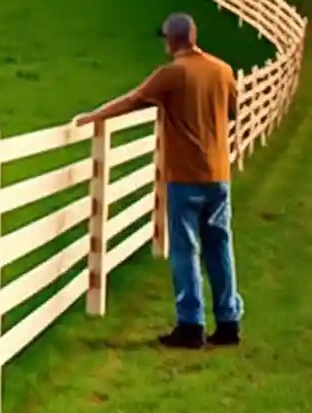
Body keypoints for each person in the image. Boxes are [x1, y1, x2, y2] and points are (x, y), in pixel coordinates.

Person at [73, 12, 243, 349]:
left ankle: (190, 325)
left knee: (184, 250)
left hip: (184, 175)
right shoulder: (222, 70)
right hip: (219, 174)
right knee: (220, 248)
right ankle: (228, 322)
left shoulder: (172, 75)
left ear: (172, 41)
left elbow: (133, 101)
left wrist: (92, 117)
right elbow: (233, 111)